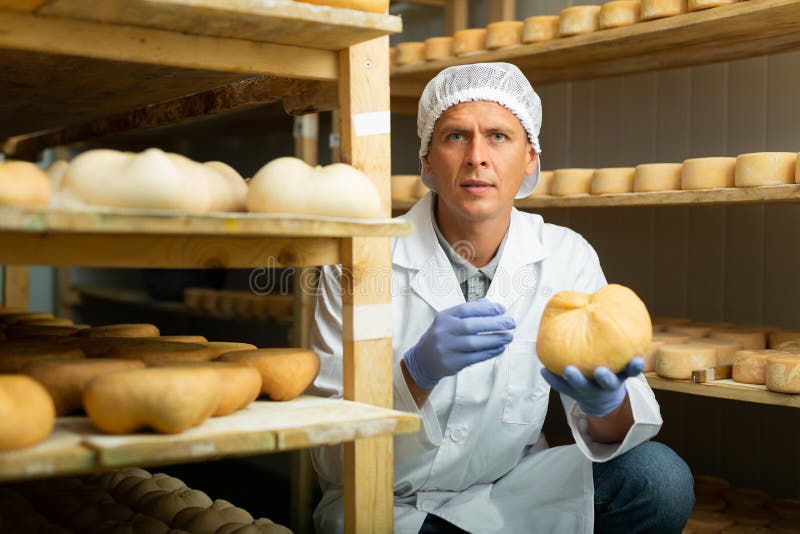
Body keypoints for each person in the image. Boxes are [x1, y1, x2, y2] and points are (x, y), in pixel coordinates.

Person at [309, 62, 694, 533]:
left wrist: (606, 404)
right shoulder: (358, 262)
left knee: (658, 479)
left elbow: (617, 431)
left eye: (498, 136)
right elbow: (328, 455)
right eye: (455, 136)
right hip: (390, 502)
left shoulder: (565, 255)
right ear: (426, 160)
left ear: (530, 157)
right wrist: (413, 376)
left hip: (511, 492)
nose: (477, 157)